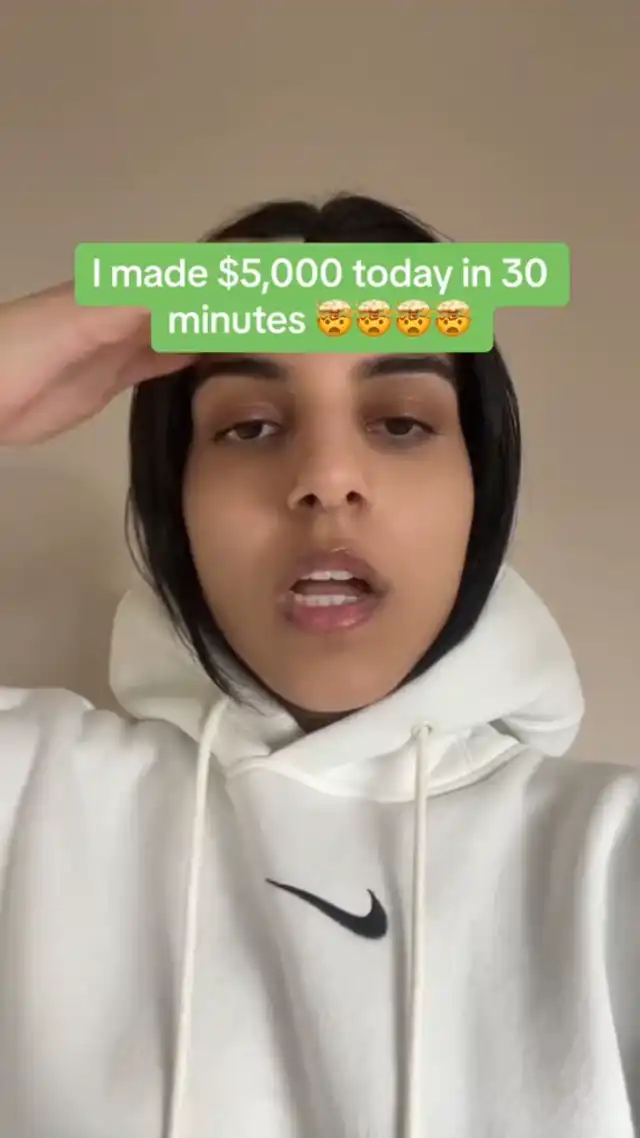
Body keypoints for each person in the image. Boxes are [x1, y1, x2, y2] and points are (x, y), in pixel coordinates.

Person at [0, 194, 637, 1138]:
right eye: (250, 426)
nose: (326, 477)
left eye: (402, 422)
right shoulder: (28, 798)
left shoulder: (611, 859)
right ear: (176, 497)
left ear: (481, 488)